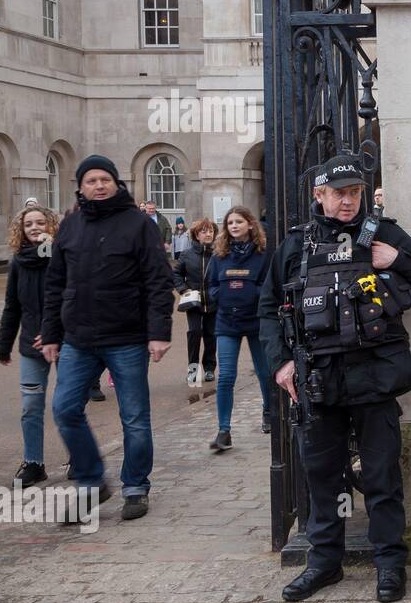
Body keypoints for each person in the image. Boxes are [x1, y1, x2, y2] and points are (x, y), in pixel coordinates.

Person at [259, 154, 411, 603]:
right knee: (322, 476)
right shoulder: (296, 246)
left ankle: (389, 565)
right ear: (318, 195)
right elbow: (266, 309)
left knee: (381, 474)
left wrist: (398, 259)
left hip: (373, 378)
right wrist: (281, 364)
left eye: (355, 192)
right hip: (317, 379)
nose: (348, 201)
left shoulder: (382, 233)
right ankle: (324, 564)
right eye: (339, 193)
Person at [41, 155, 173, 523]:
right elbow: (55, 285)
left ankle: (135, 487)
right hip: (77, 338)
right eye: (91, 180)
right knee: (65, 409)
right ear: (81, 187)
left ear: (116, 183)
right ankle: (91, 480)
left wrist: (159, 332)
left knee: (134, 417)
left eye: (105, 179)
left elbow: (158, 281)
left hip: (127, 337)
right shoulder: (69, 225)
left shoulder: (138, 224)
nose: (98, 185)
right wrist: (51, 333)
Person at [0, 204, 59, 485]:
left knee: (67, 405)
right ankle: (34, 462)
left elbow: (73, 298)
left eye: (40, 223)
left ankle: (77, 457)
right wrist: (3, 345)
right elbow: (12, 308)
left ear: (51, 226)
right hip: (31, 346)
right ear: (21, 231)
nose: (34, 228)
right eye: (28, 224)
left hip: (66, 343)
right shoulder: (18, 263)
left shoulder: (62, 257)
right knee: (31, 405)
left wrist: (54, 330)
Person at [206, 207, 272, 449]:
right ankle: (224, 430)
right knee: (226, 377)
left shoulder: (262, 254)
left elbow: (268, 285)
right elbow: (211, 284)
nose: (234, 226)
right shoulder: (219, 255)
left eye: (239, 221)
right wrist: (222, 294)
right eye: (230, 222)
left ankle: (269, 411)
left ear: (250, 224)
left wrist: (246, 292)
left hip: (255, 320)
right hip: (227, 321)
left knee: (265, 372)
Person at [173, 217, 218, 387]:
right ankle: (193, 370)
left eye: (211, 231)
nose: (208, 234)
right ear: (196, 235)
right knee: (194, 333)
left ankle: (209, 368)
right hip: (193, 303)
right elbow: (176, 274)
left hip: (213, 301)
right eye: (204, 231)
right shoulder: (187, 254)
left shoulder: (218, 254)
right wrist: (183, 289)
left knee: (211, 335)